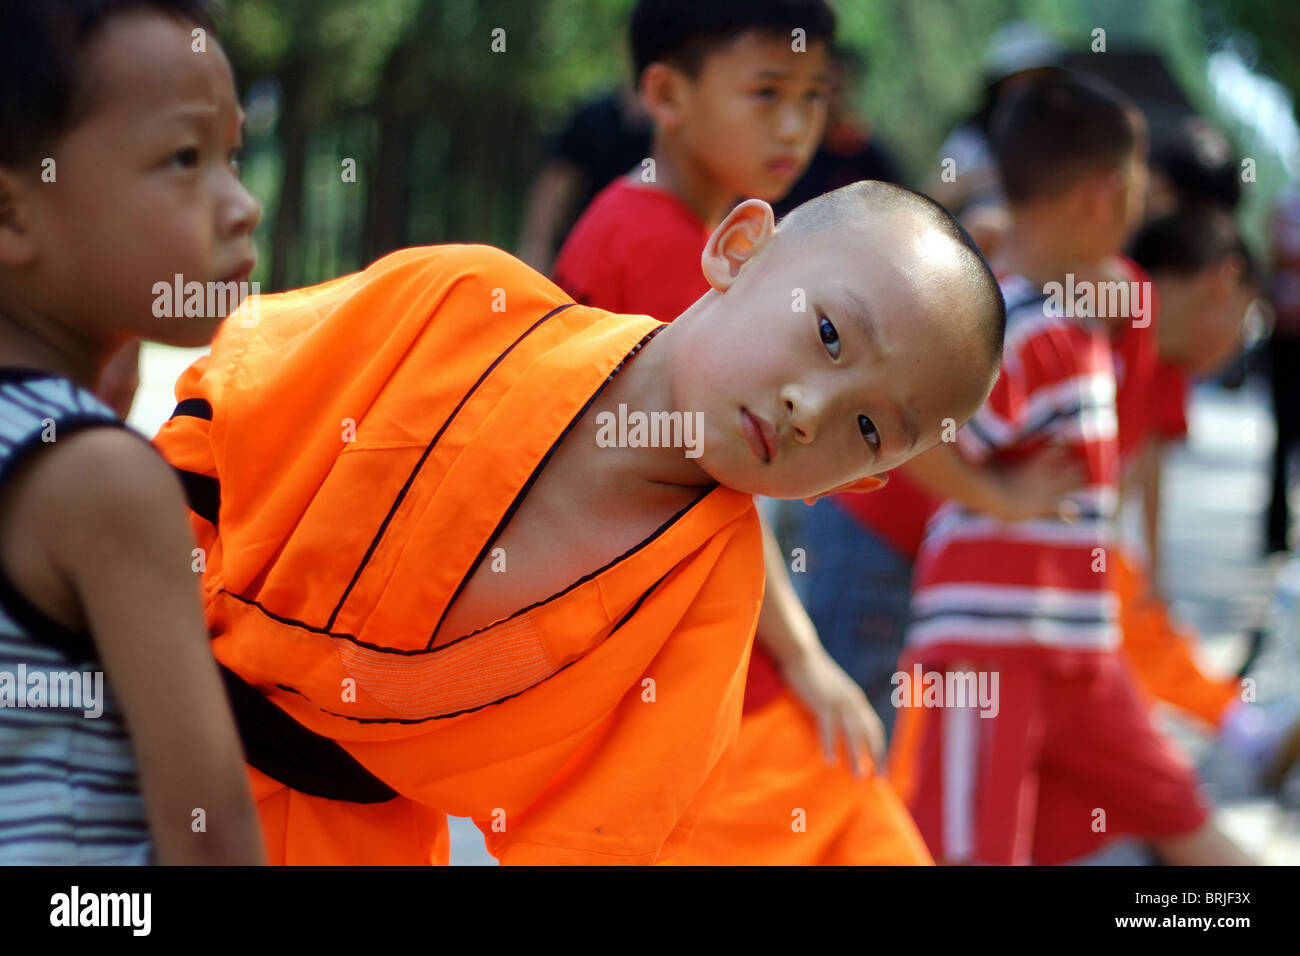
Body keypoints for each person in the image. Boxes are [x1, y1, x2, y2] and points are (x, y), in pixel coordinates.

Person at [155, 171, 1007, 863]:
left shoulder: (706, 605)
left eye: (866, 430)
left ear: (862, 482)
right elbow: (211, 438)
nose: (809, 408)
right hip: (116, 711)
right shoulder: (461, 301)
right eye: (826, 334)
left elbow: (597, 842)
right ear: (738, 249)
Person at [556, 0, 933, 865]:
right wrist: (805, 661)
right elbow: (715, 477)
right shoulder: (656, 242)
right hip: (685, 657)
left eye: (814, 98)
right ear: (666, 92)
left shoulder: (655, 223)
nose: (797, 126)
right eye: (766, 94)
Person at [891, 72, 1252, 865]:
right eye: (1136, 183)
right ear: (1102, 195)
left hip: (1077, 651)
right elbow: (907, 433)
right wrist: (996, 495)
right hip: (992, 650)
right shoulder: (1015, 330)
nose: (1142, 203)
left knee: (1174, 815)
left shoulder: (1068, 322)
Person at [0, 0, 266, 864]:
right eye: (184, 159)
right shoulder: (103, 480)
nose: (242, 206)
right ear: (12, 215)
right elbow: (212, 836)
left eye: (233, 157)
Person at [516, 87, 652, 273]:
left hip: (642, 260)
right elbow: (555, 181)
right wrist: (538, 249)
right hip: (582, 253)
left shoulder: (672, 129)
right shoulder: (592, 118)